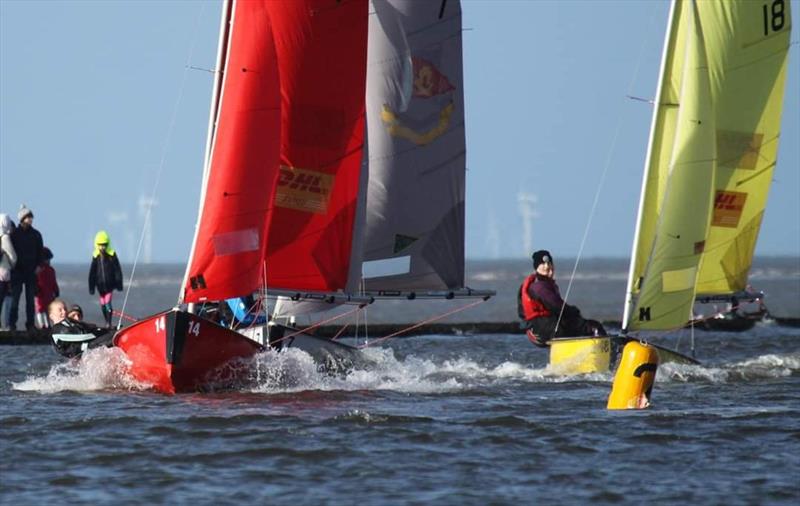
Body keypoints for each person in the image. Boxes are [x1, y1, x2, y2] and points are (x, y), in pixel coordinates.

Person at [518, 250, 606, 347]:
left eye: (549, 263)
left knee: (579, 326)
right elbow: (556, 306)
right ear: (536, 267)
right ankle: (606, 351)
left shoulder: (539, 283)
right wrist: (574, 311)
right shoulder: (539, 286)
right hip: (544, 329)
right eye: (542, 264)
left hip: (540, 328)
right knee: (593, 327)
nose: (547, 266)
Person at [9, 204, 44, 331]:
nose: (30, 219)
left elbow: (40, 252)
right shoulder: (14, 234)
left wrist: (39, 266)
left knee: (30, 301)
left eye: (31, 217)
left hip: (31, 273)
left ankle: (30, 324)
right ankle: (11, 324)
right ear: (22, 218)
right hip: (17, 272)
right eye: (28, 217)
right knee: (15, 300)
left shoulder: (36, 235)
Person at [48, 299, 114, 359]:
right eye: (60, 310)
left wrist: (106, 330)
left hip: (88, 348)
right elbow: (81, 337)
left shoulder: (70, 323)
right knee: (112, 336)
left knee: (112, 333)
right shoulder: (56, 331)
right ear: (51, 316)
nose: (64, 312)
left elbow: (90, 328)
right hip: (84, 350)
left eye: (65, 309)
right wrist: (102, 333)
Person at [88, 230, 123, 328]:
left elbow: (117, 270)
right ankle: (106, 321)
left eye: (104, 245)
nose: (102, 247)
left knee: (108, 303)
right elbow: (92, 273)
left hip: (109, 285)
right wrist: (91, 287)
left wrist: (119, 283)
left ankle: (109, 322)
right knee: (102, 304)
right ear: (97, 245)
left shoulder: (111, 255)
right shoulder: (96, 257)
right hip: (100, 286)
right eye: (100, 245)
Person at [0, 213, 18, 330]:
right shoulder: (5, 237)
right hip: (3, 273)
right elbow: (13, 256)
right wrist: (13, 265)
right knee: (3, 299)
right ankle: (5, 325)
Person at [34, 247, 59, 329]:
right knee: (41, 310)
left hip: (46, 294)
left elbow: (54, 282)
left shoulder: (49, 270)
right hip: (41, 294)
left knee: (45, 310)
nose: (48, 261)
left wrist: (56, 290)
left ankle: (46, 325)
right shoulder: (40, 270)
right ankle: (43, 325)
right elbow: (35, 282)